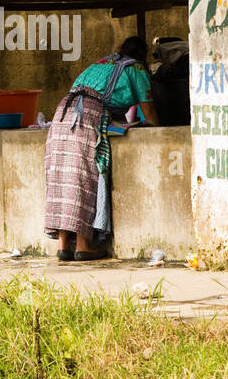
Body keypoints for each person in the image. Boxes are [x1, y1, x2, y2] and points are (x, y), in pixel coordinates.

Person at [44, 36, 160, 262]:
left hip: (63, 112)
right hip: (87, 114)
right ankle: (84, 246)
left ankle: (63, 245)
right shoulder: (136, 68)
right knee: (84, 175)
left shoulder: (101, 62)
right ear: (143, 56)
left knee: (62, 175)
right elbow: (151, 115)